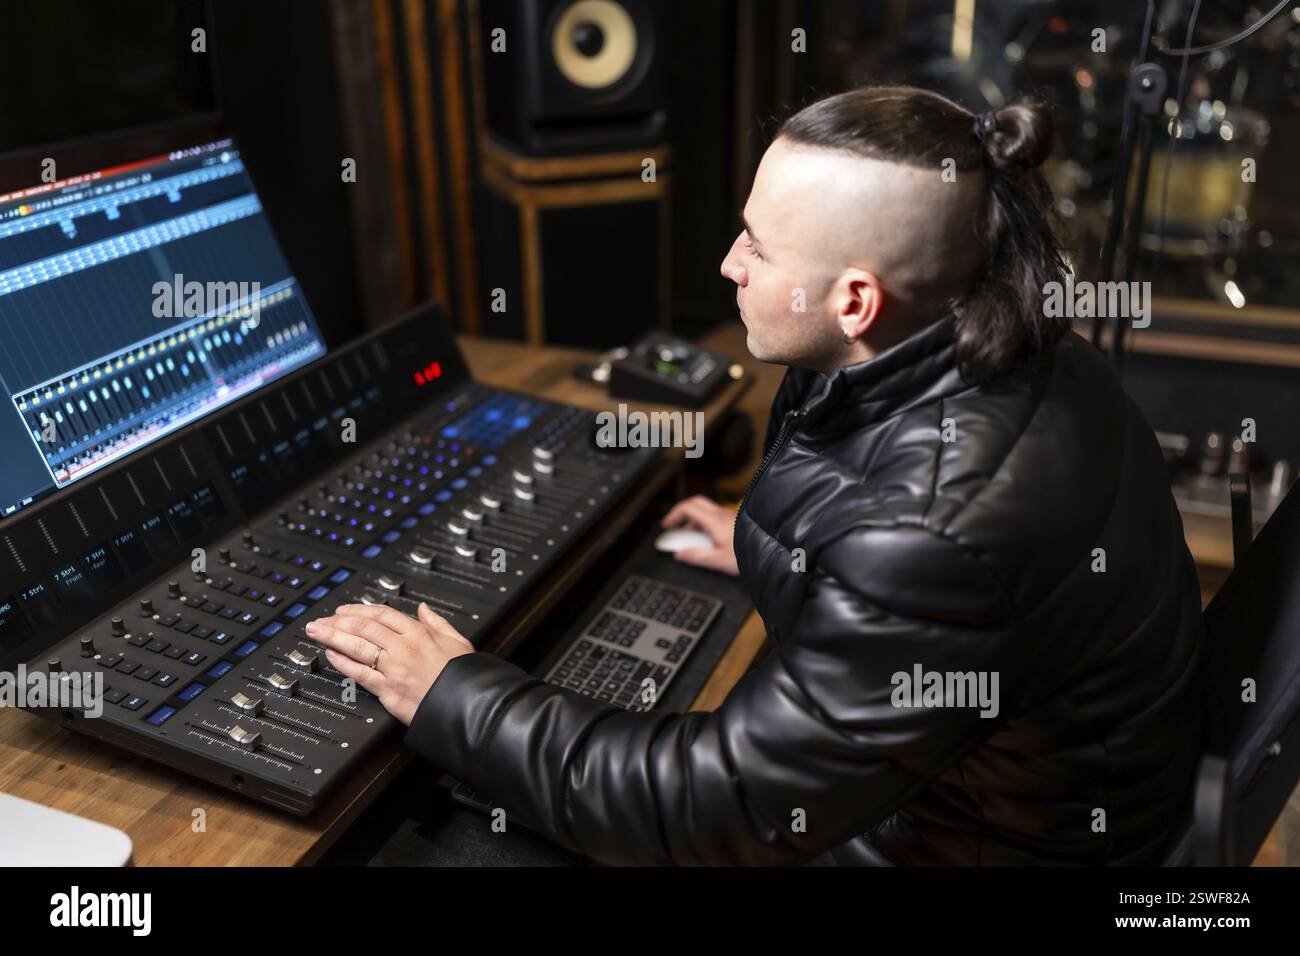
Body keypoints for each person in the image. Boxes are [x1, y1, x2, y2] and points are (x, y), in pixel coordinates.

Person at [305, 85, 1205, 865]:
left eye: (758, 247)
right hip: (997, 790)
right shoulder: (1004, 338)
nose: (729, 264)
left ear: (854, 301)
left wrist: (454, 695)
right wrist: (814, 560)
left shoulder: (929, 535)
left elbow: (726, 810)